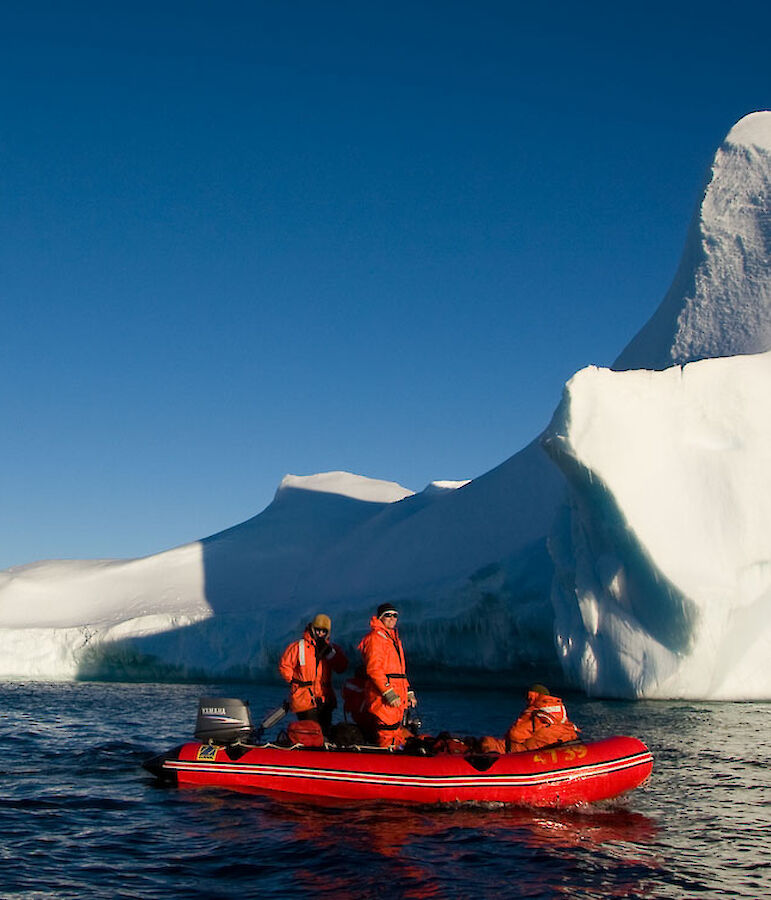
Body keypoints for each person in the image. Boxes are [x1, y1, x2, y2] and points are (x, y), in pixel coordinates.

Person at [356, 603, 417, 748]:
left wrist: (408, 692)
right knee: (387, 732)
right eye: (388, 615)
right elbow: (374, 669)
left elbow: (400, 672)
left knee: (396, 730)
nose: (392, 618)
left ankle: (396, 759)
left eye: (394, 615)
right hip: (383, 696)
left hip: (397, 694)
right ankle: (386, 762)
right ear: (381, 618)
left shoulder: (393, 638)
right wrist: (388, 692)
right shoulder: (376, 638)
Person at [278, 613, 348, 735]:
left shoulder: (331, 649)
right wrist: (294, 681)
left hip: (324, 698)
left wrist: (330, 653)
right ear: (312, 628)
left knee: (325, 730)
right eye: (318, 630)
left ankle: (322, 751)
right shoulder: (299, 647)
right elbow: (285, 665)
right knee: (311, 731)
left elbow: (341, 667)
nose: (320, 634)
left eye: (324, 631)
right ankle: (310, 750)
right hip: (304, 698)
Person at [480, 683, 579, 754]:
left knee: (488, 743)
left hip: (531, 751)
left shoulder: (535, 712)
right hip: (555, 746)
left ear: (533, 696)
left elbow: (515, 735)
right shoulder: (559, 711)